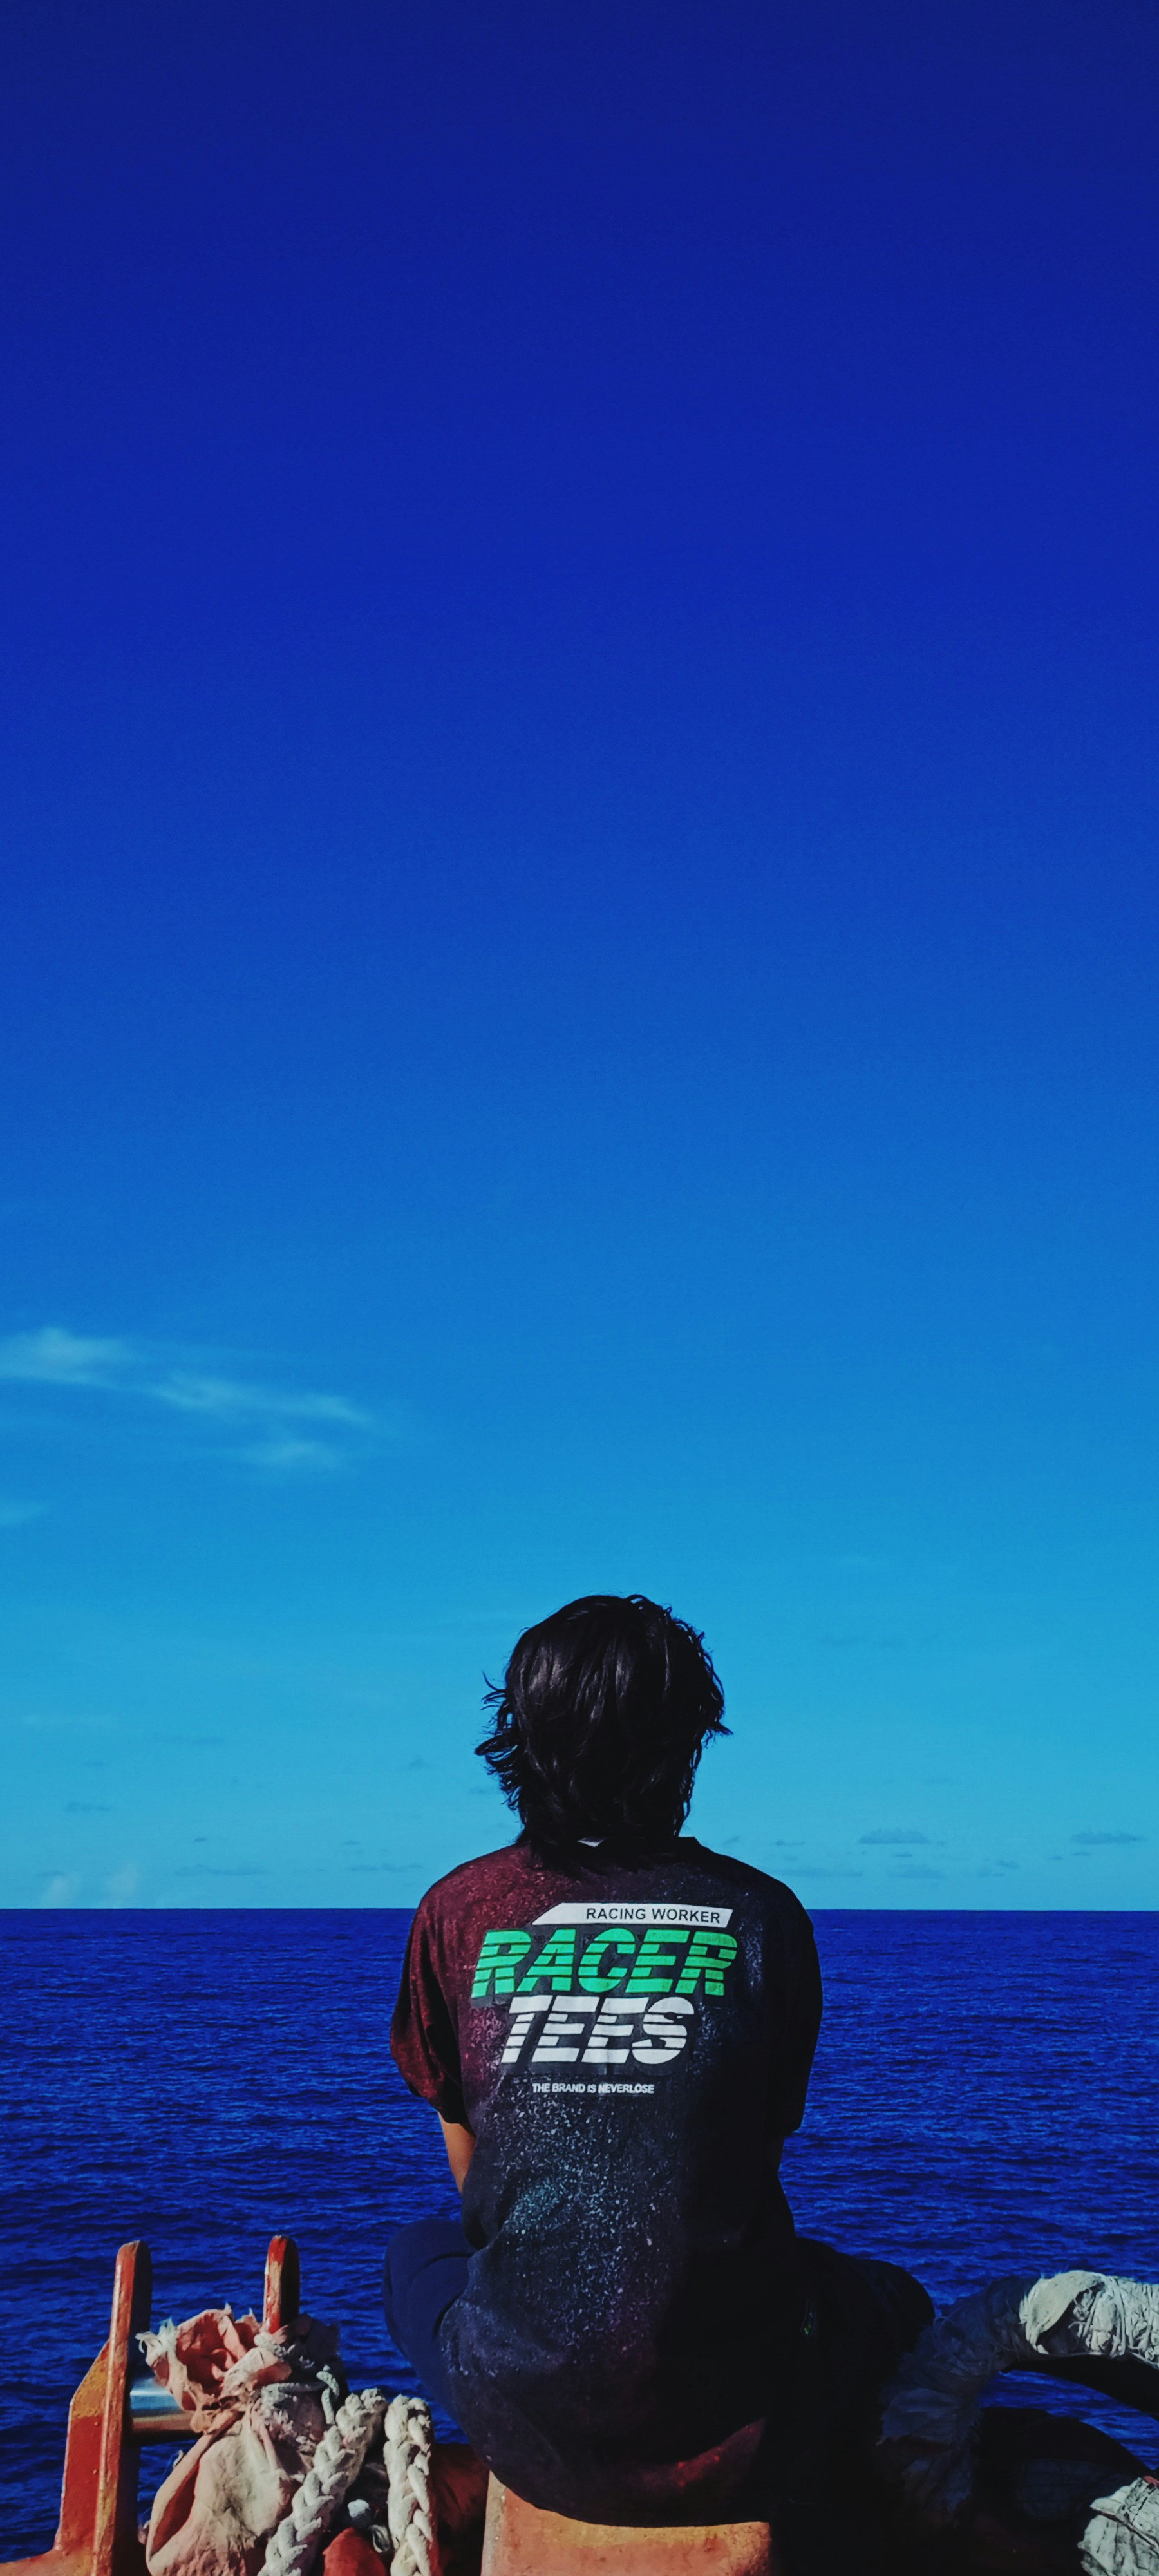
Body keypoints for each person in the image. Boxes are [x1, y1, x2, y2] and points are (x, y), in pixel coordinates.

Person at [385, 1594, 930, 2534]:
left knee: (412, 2256)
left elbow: (472, 2175)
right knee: (891, 2299)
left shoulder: (458, 1912)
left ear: (519, 1739)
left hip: (527, 2425)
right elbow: (749, 2158)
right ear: (688, 1742)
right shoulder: (762, 1918)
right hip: (739, 2420)